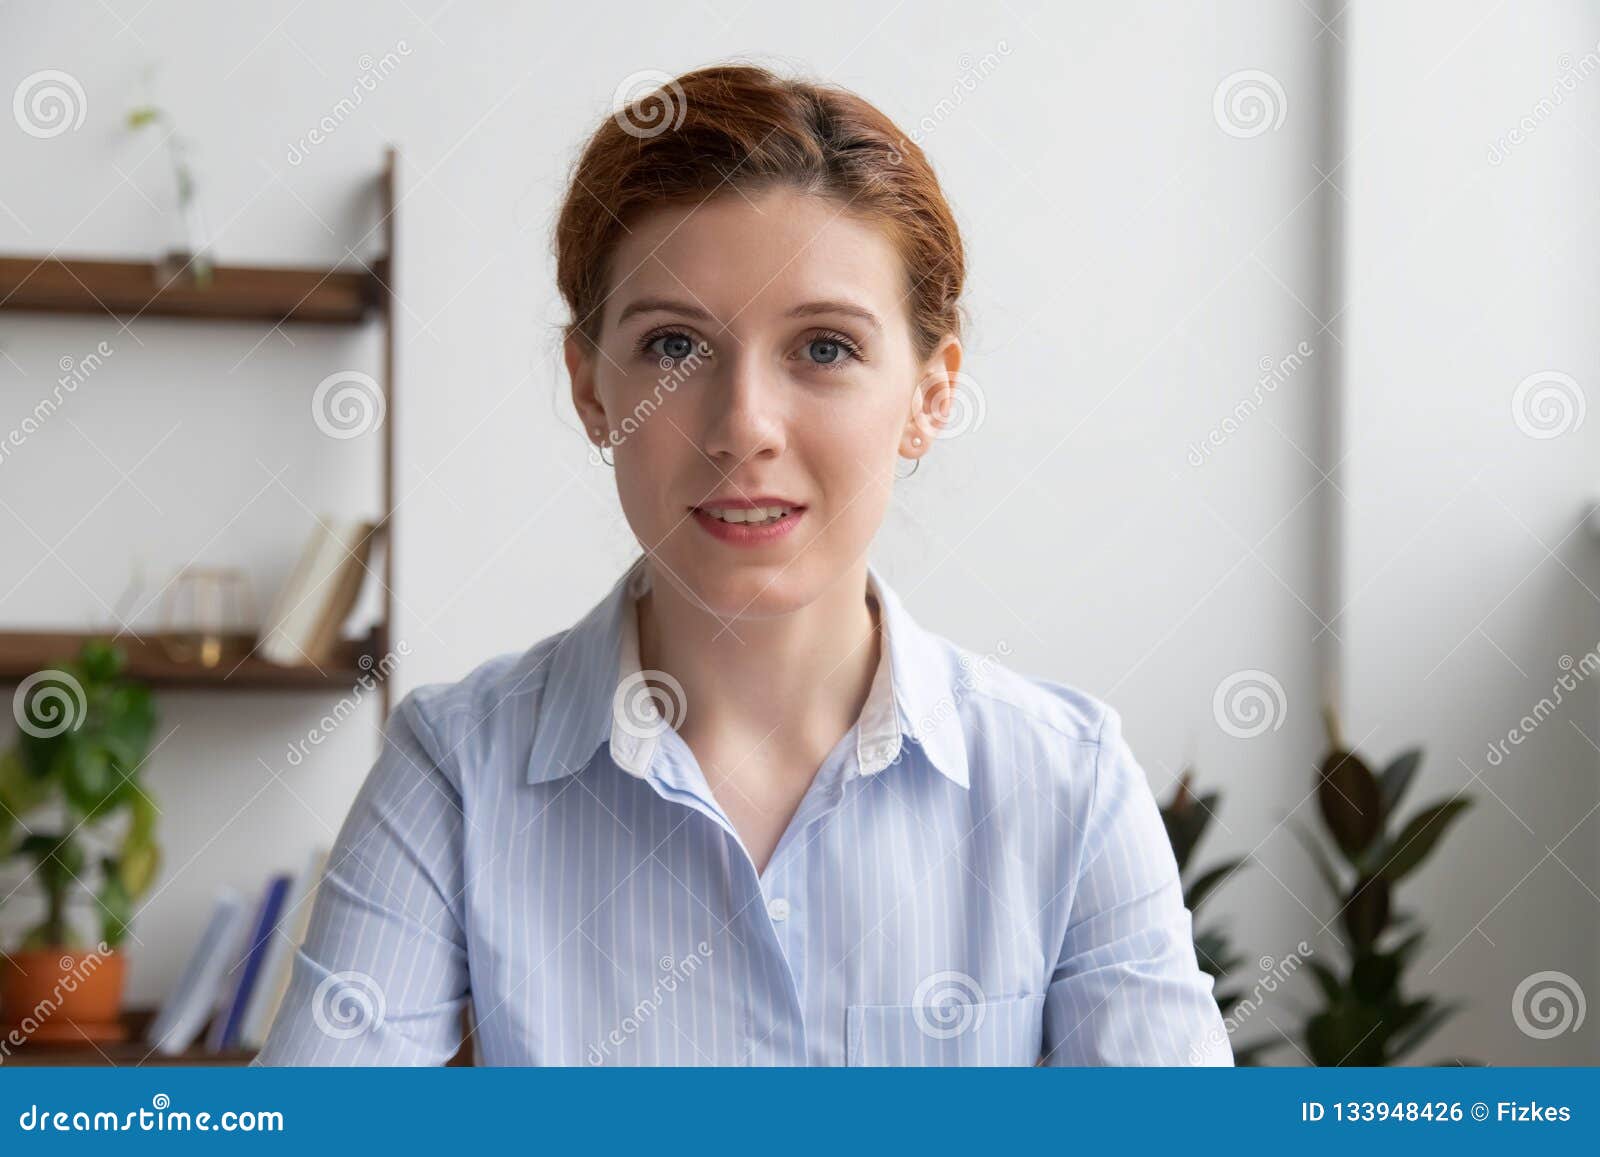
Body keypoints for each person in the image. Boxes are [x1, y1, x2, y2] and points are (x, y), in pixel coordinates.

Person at [256, 62, 1233, 1067]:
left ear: (931, 394)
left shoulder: (1063, 781)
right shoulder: (458, 770)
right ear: (591, 388)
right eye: (675, 344)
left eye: (822, 348)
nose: (742, 427)